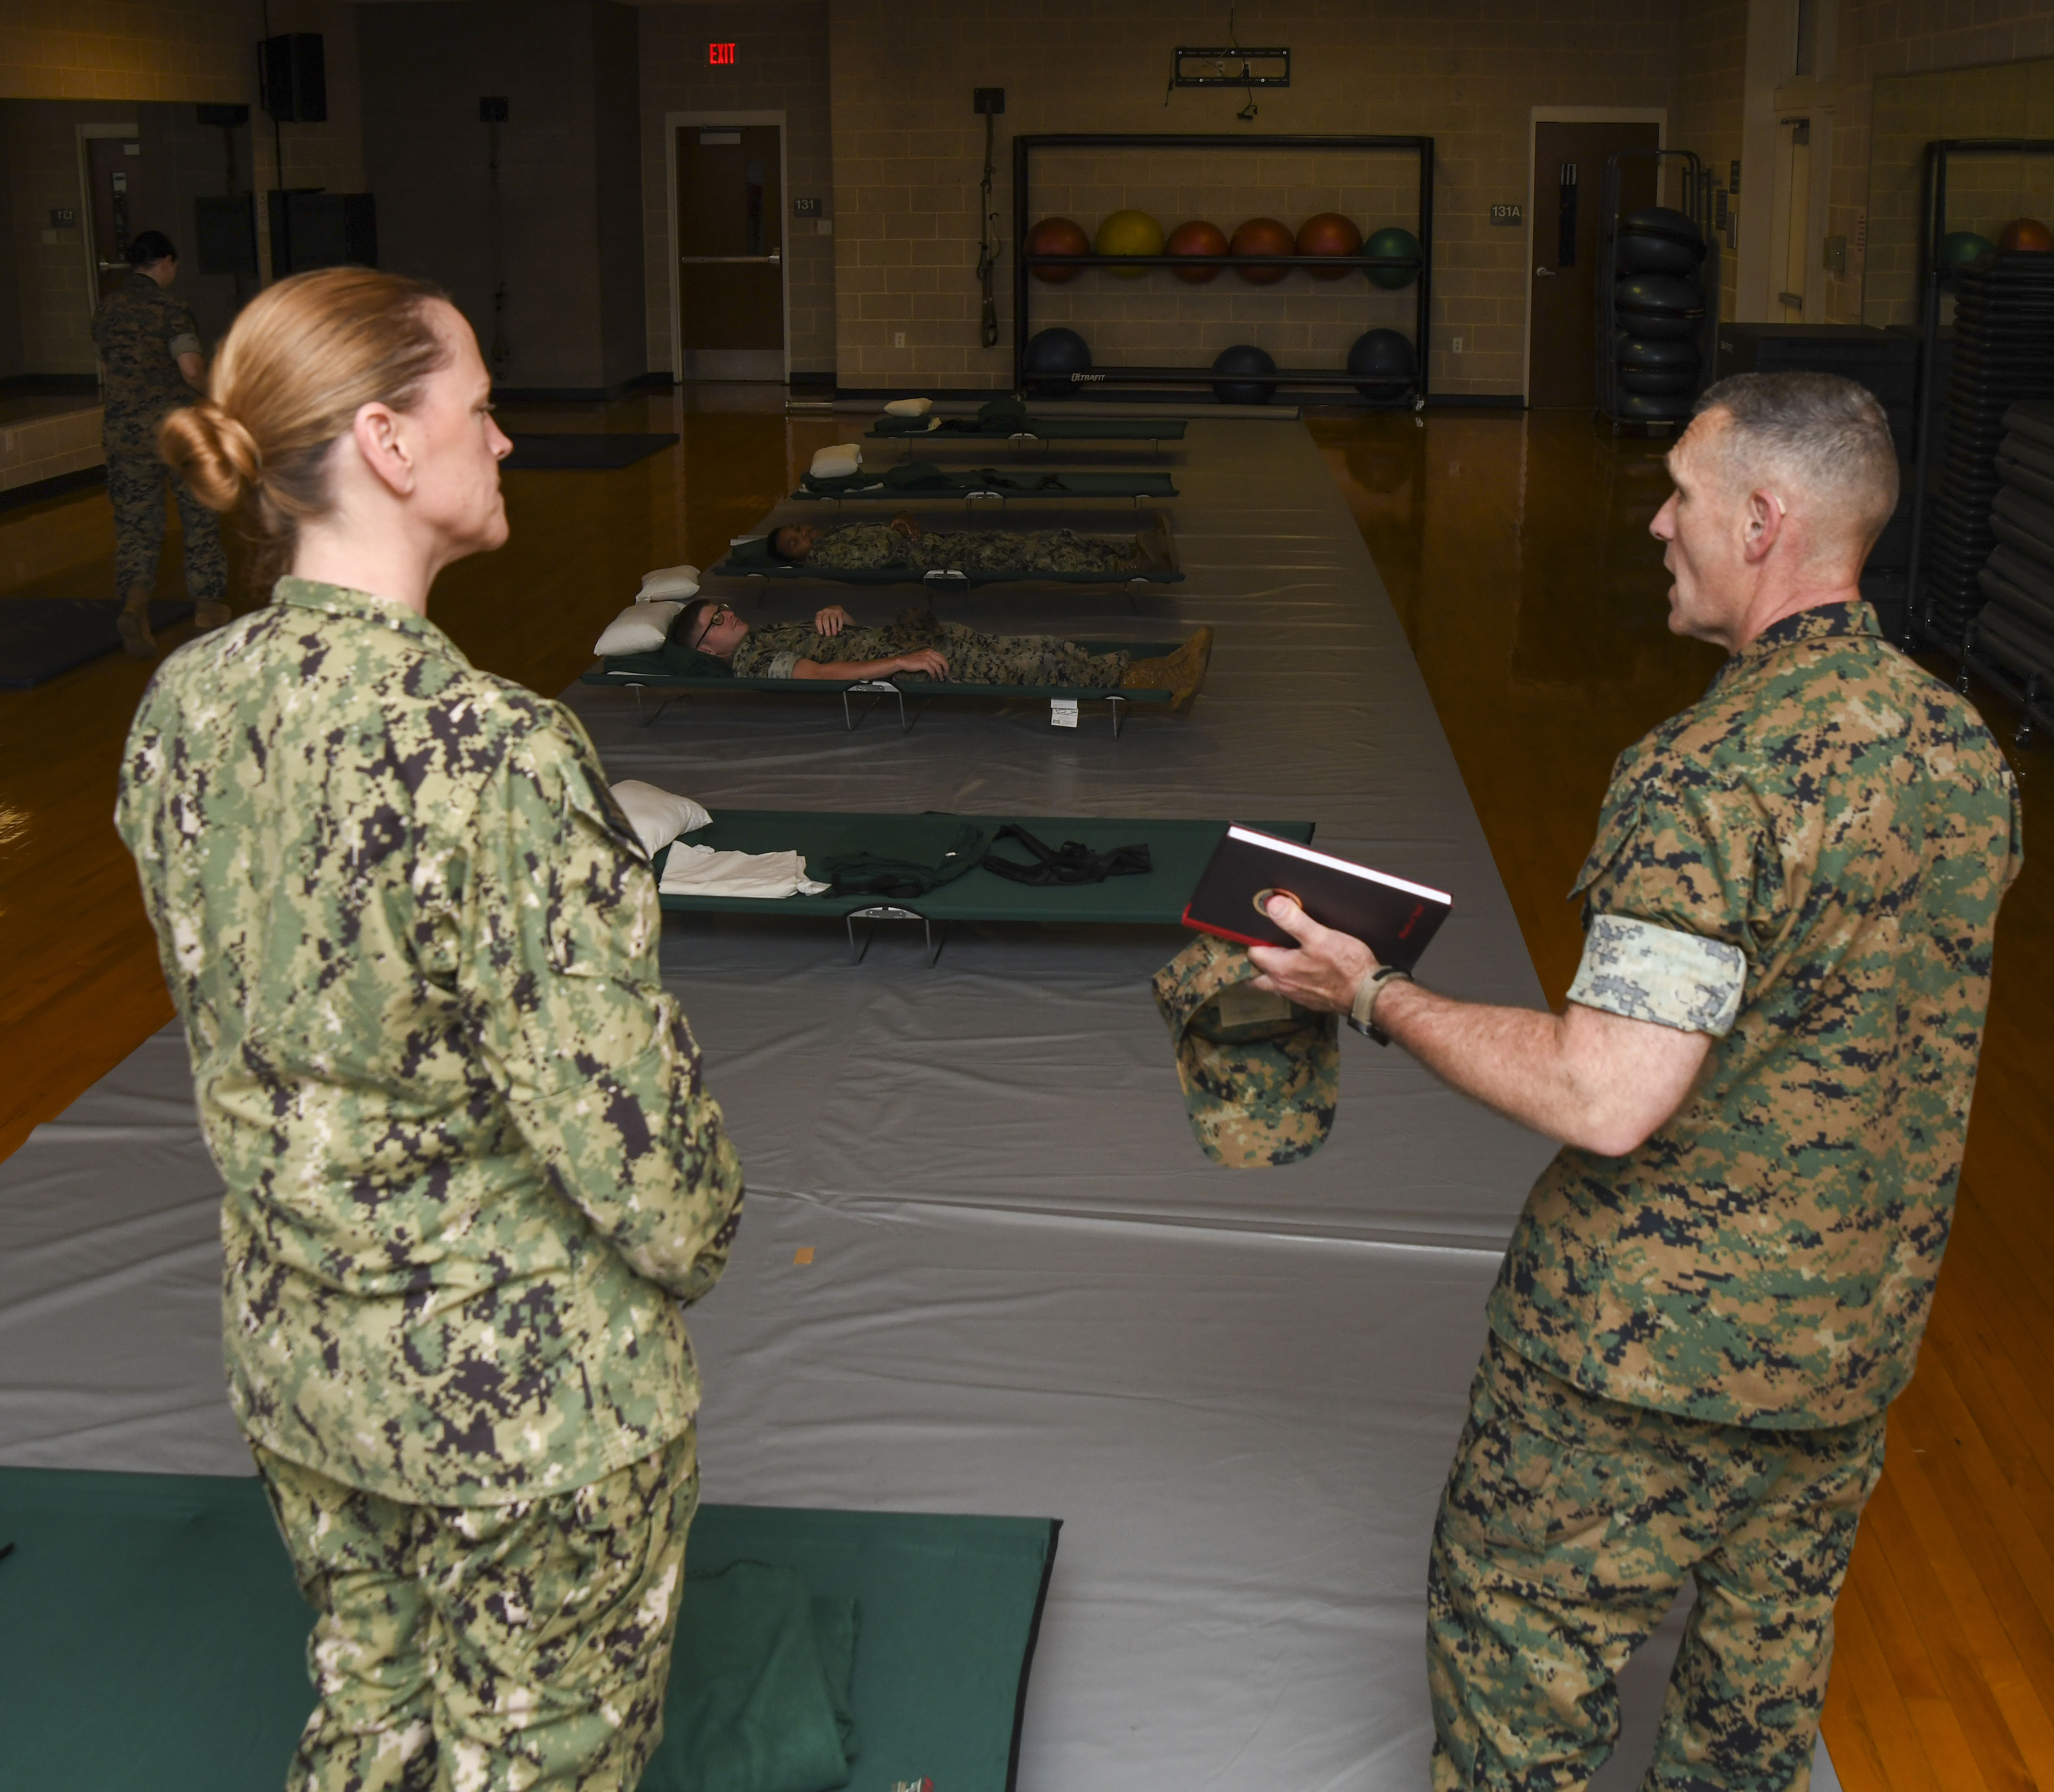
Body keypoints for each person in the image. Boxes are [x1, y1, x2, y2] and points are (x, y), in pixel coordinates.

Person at [1247, 373, 2022, 1790]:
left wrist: (1373, 992)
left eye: (1679, 494)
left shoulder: (1707, 773)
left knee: (1518, 1694)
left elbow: (1606, 1093)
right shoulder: (1959, 748)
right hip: (1842, 1355)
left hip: (1633, 1364)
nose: (1658, 522)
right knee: (1749, 1728)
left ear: (1763, 520)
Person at [115, 267, 744, 1791]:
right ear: (389, 442)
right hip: (526, 1409)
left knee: (368, 1726)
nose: (505, 438)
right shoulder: (492, 751)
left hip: (303, 1368)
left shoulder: (186, 702)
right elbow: (642, 1161)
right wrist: (705, 1230)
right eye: (480, 404)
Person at [90, 229, 229, 656]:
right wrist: (219, 396)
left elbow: (109, 368)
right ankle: (208, 607)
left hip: (125, 434)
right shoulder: (172, 309)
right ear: (166, 262)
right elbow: (191, 369)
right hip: (177, 433)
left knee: (136, 526)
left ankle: (135, 606)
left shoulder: (107, 310)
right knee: (199, 515)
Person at [676, 596, 1212, 704]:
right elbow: (818, 674)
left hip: (908, 641)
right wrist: (899, 663)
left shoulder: (764, 633)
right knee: (1037, 667)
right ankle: (1153, 685)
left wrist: (837, 614)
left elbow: (838, 642)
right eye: (713, 623)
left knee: (1043, 644)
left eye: (721, 608)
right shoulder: (752, 661)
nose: (726, 615)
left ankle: (1147, 667)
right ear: (708, 651)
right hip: (912, 662)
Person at [765, 512, 1152, 576]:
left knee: (1047, 539)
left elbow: (885, 533)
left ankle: (1124, 550)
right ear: (797, 559)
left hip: (946, 543)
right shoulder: (824, 557)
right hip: (947, 559)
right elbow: (879, 553)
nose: (805, 536)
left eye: (799, 529)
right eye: (796, 543)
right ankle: (1126, 567)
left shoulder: (834, 534)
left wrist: (900, 520)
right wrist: (897, 532)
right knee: (1039, 555)